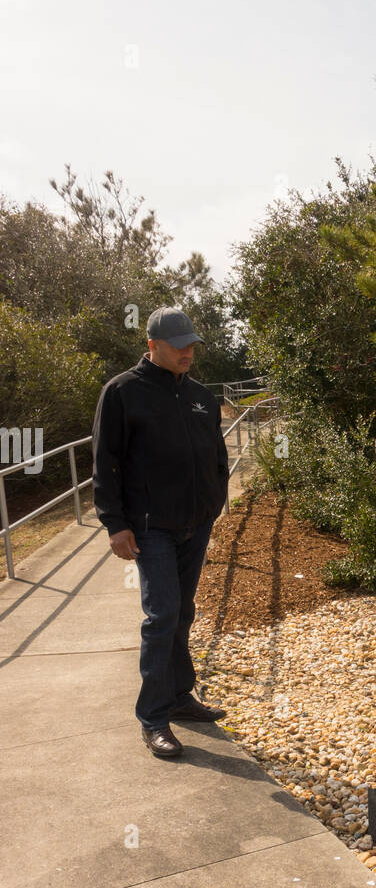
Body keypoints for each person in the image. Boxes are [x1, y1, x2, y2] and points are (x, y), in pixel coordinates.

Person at [91, 306, 228, 758]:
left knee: (182, 611)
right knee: (162, 615)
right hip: (150, 528)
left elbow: (216, 455)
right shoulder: (122, 393)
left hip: (196, 523)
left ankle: (179, 695)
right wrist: (115, 524)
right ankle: (153, 718)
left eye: (192, 344)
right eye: (179, 345)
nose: (189, 351)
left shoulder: (201, 397)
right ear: (152, 345)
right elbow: (105, 463)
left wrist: (213, 504)